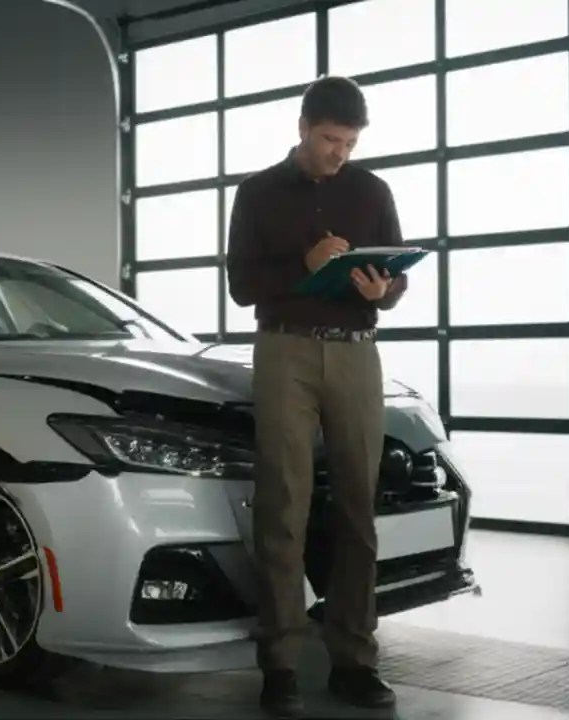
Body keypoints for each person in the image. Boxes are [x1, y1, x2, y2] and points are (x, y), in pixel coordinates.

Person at [225, 75, 408, 716]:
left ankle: (354, 661)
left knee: (359, 507)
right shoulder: (256, 193)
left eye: (351, 142)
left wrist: (379, 292)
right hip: (285, 350)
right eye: (332, 139)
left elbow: (395, 284)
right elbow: (241, 285)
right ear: (303, 127)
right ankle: (279, 665)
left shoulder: (373, 191)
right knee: (283, 508)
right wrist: (304, 265)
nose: (341, 153)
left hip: (358, 351)